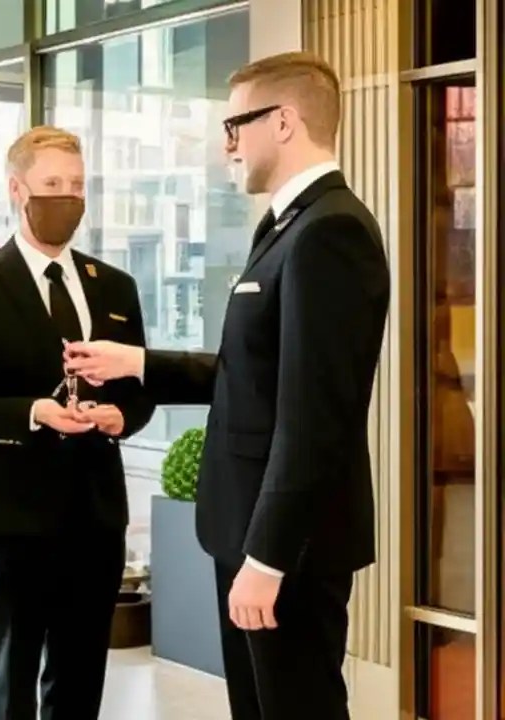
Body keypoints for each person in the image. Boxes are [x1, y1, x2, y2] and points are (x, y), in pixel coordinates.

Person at [62, 52, 389, 720]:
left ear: (285, 122)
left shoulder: (330, 232)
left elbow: (316, 418)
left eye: (236, 125)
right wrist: (138, 363)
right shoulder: (288, 226)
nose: (227, 145)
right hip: (250, 530)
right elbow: (254, 375)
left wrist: (267, 559)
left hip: (286, 546)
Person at [0, 125, 155, 720]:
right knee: (13, 673)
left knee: (81, 674)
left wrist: (120, 416)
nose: (67, 197)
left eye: (77, 185)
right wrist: (33, 412)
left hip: (95, 516)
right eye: (52, 184)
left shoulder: (116, 287)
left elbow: (139, 392)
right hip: (8, 519)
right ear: (17, 189)